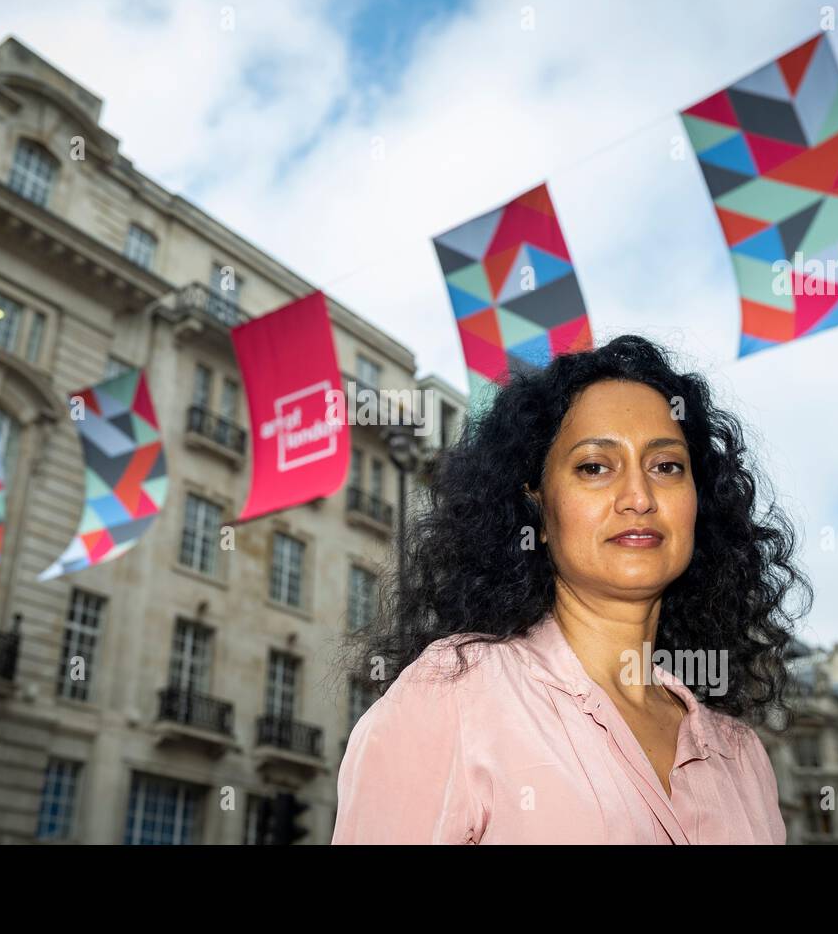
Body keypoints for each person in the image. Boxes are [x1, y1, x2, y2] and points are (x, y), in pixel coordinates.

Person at [332, 335, 810, 844]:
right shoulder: (452, 695)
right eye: (595, 467)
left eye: (667, 466)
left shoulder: (741, 755)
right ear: (536, 509)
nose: (638, 497)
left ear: (699, 503)